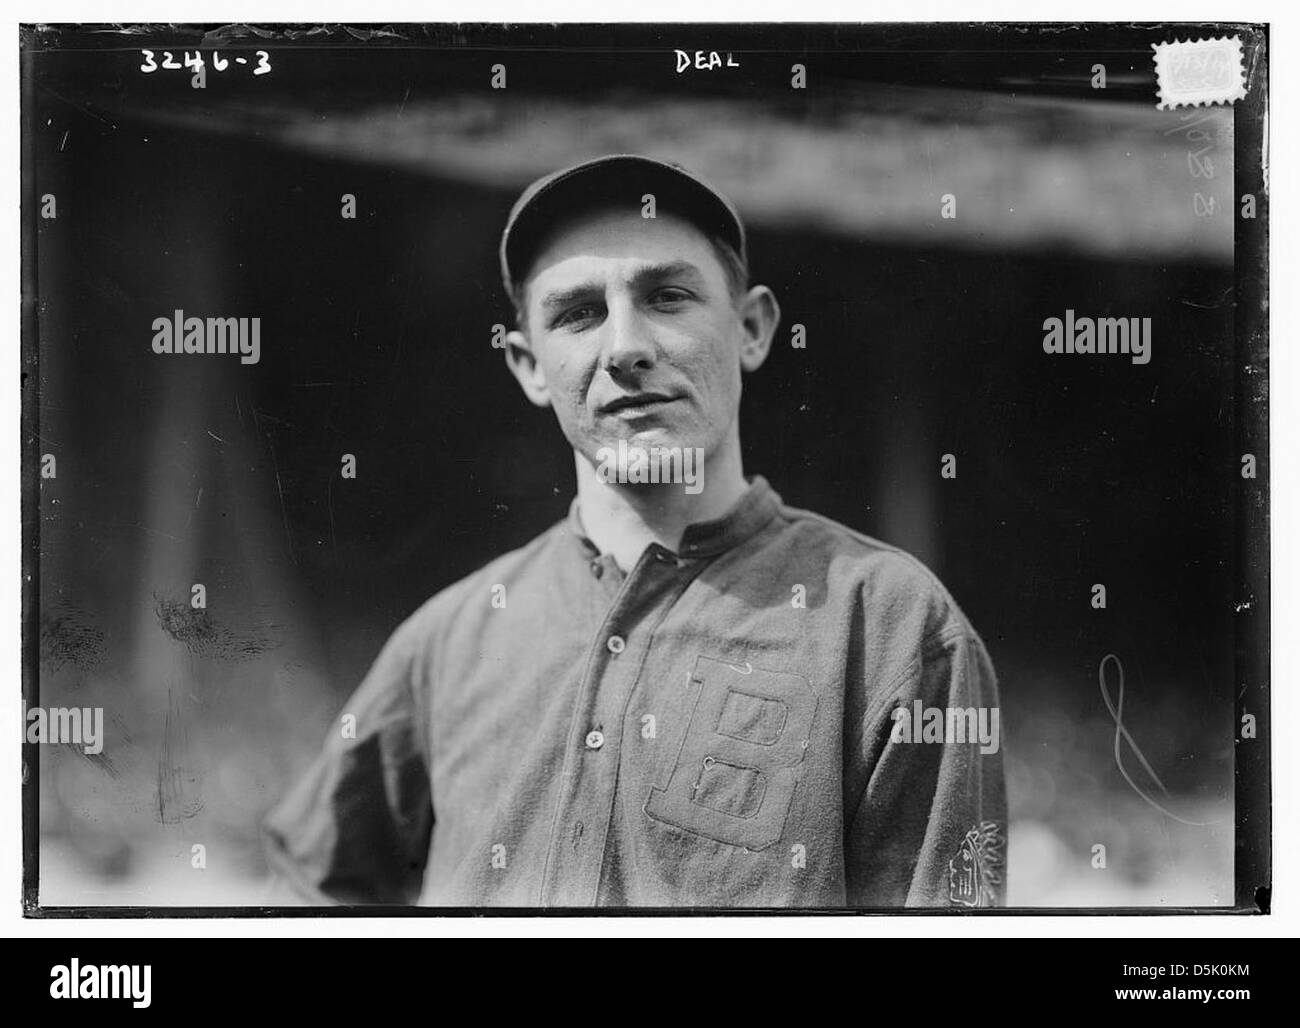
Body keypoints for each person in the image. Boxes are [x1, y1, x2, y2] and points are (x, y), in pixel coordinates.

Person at [262, 154, 1006, 908]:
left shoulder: (892, 629)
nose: (625, 347)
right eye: (578, 313)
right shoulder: (451, 638)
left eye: (669, 296)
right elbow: (315, 886)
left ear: (751, 328)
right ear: (528, 366)